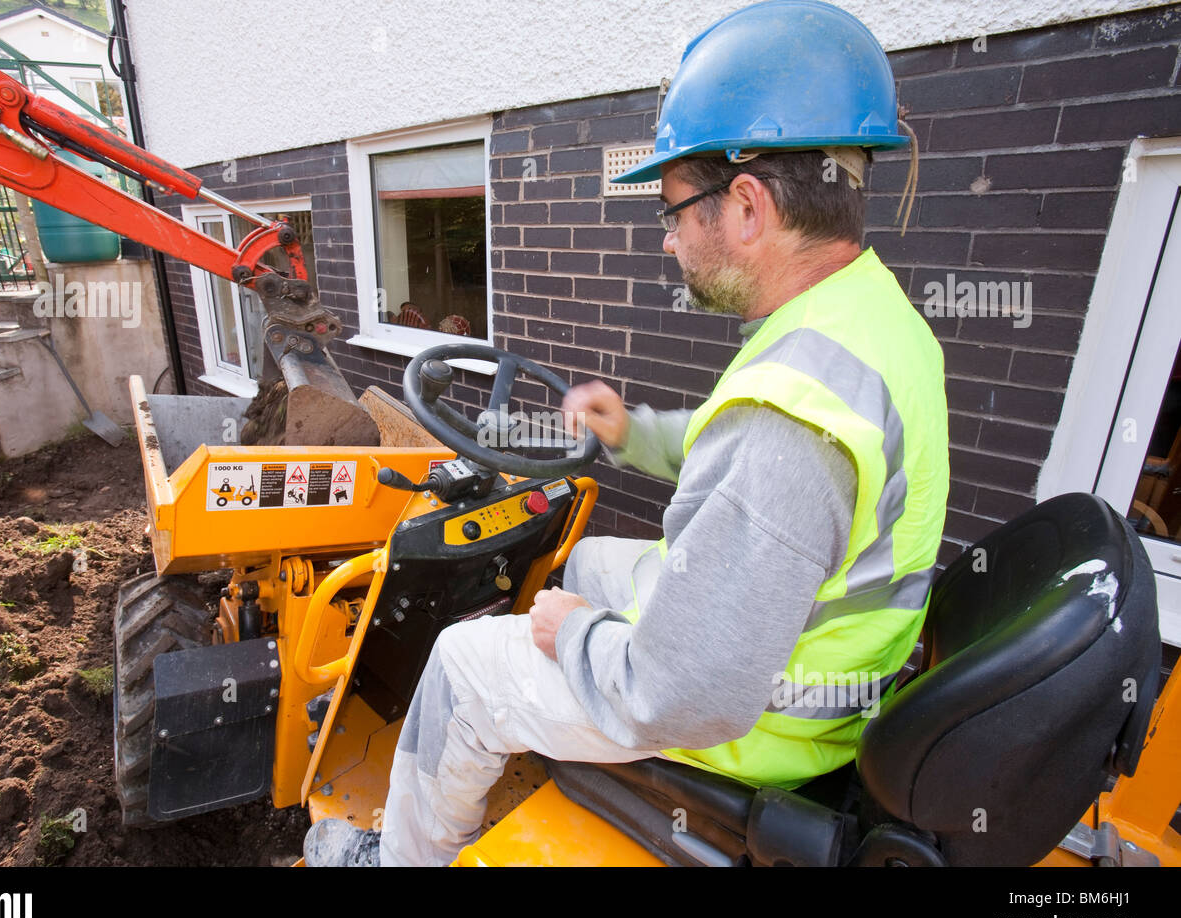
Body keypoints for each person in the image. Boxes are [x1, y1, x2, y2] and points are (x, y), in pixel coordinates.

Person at [304, 0, 948, 867]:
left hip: (765, 722)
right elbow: (735, 459)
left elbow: (679, 690)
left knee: (463, 661)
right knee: (594, 557)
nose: (673, 242)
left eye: (677, 214)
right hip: (817, 652)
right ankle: (522, 728)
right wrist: (633, 431)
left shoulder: (787, 424)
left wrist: (571, 634)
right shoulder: (868, 327)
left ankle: (396, 859)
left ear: (748, 206)